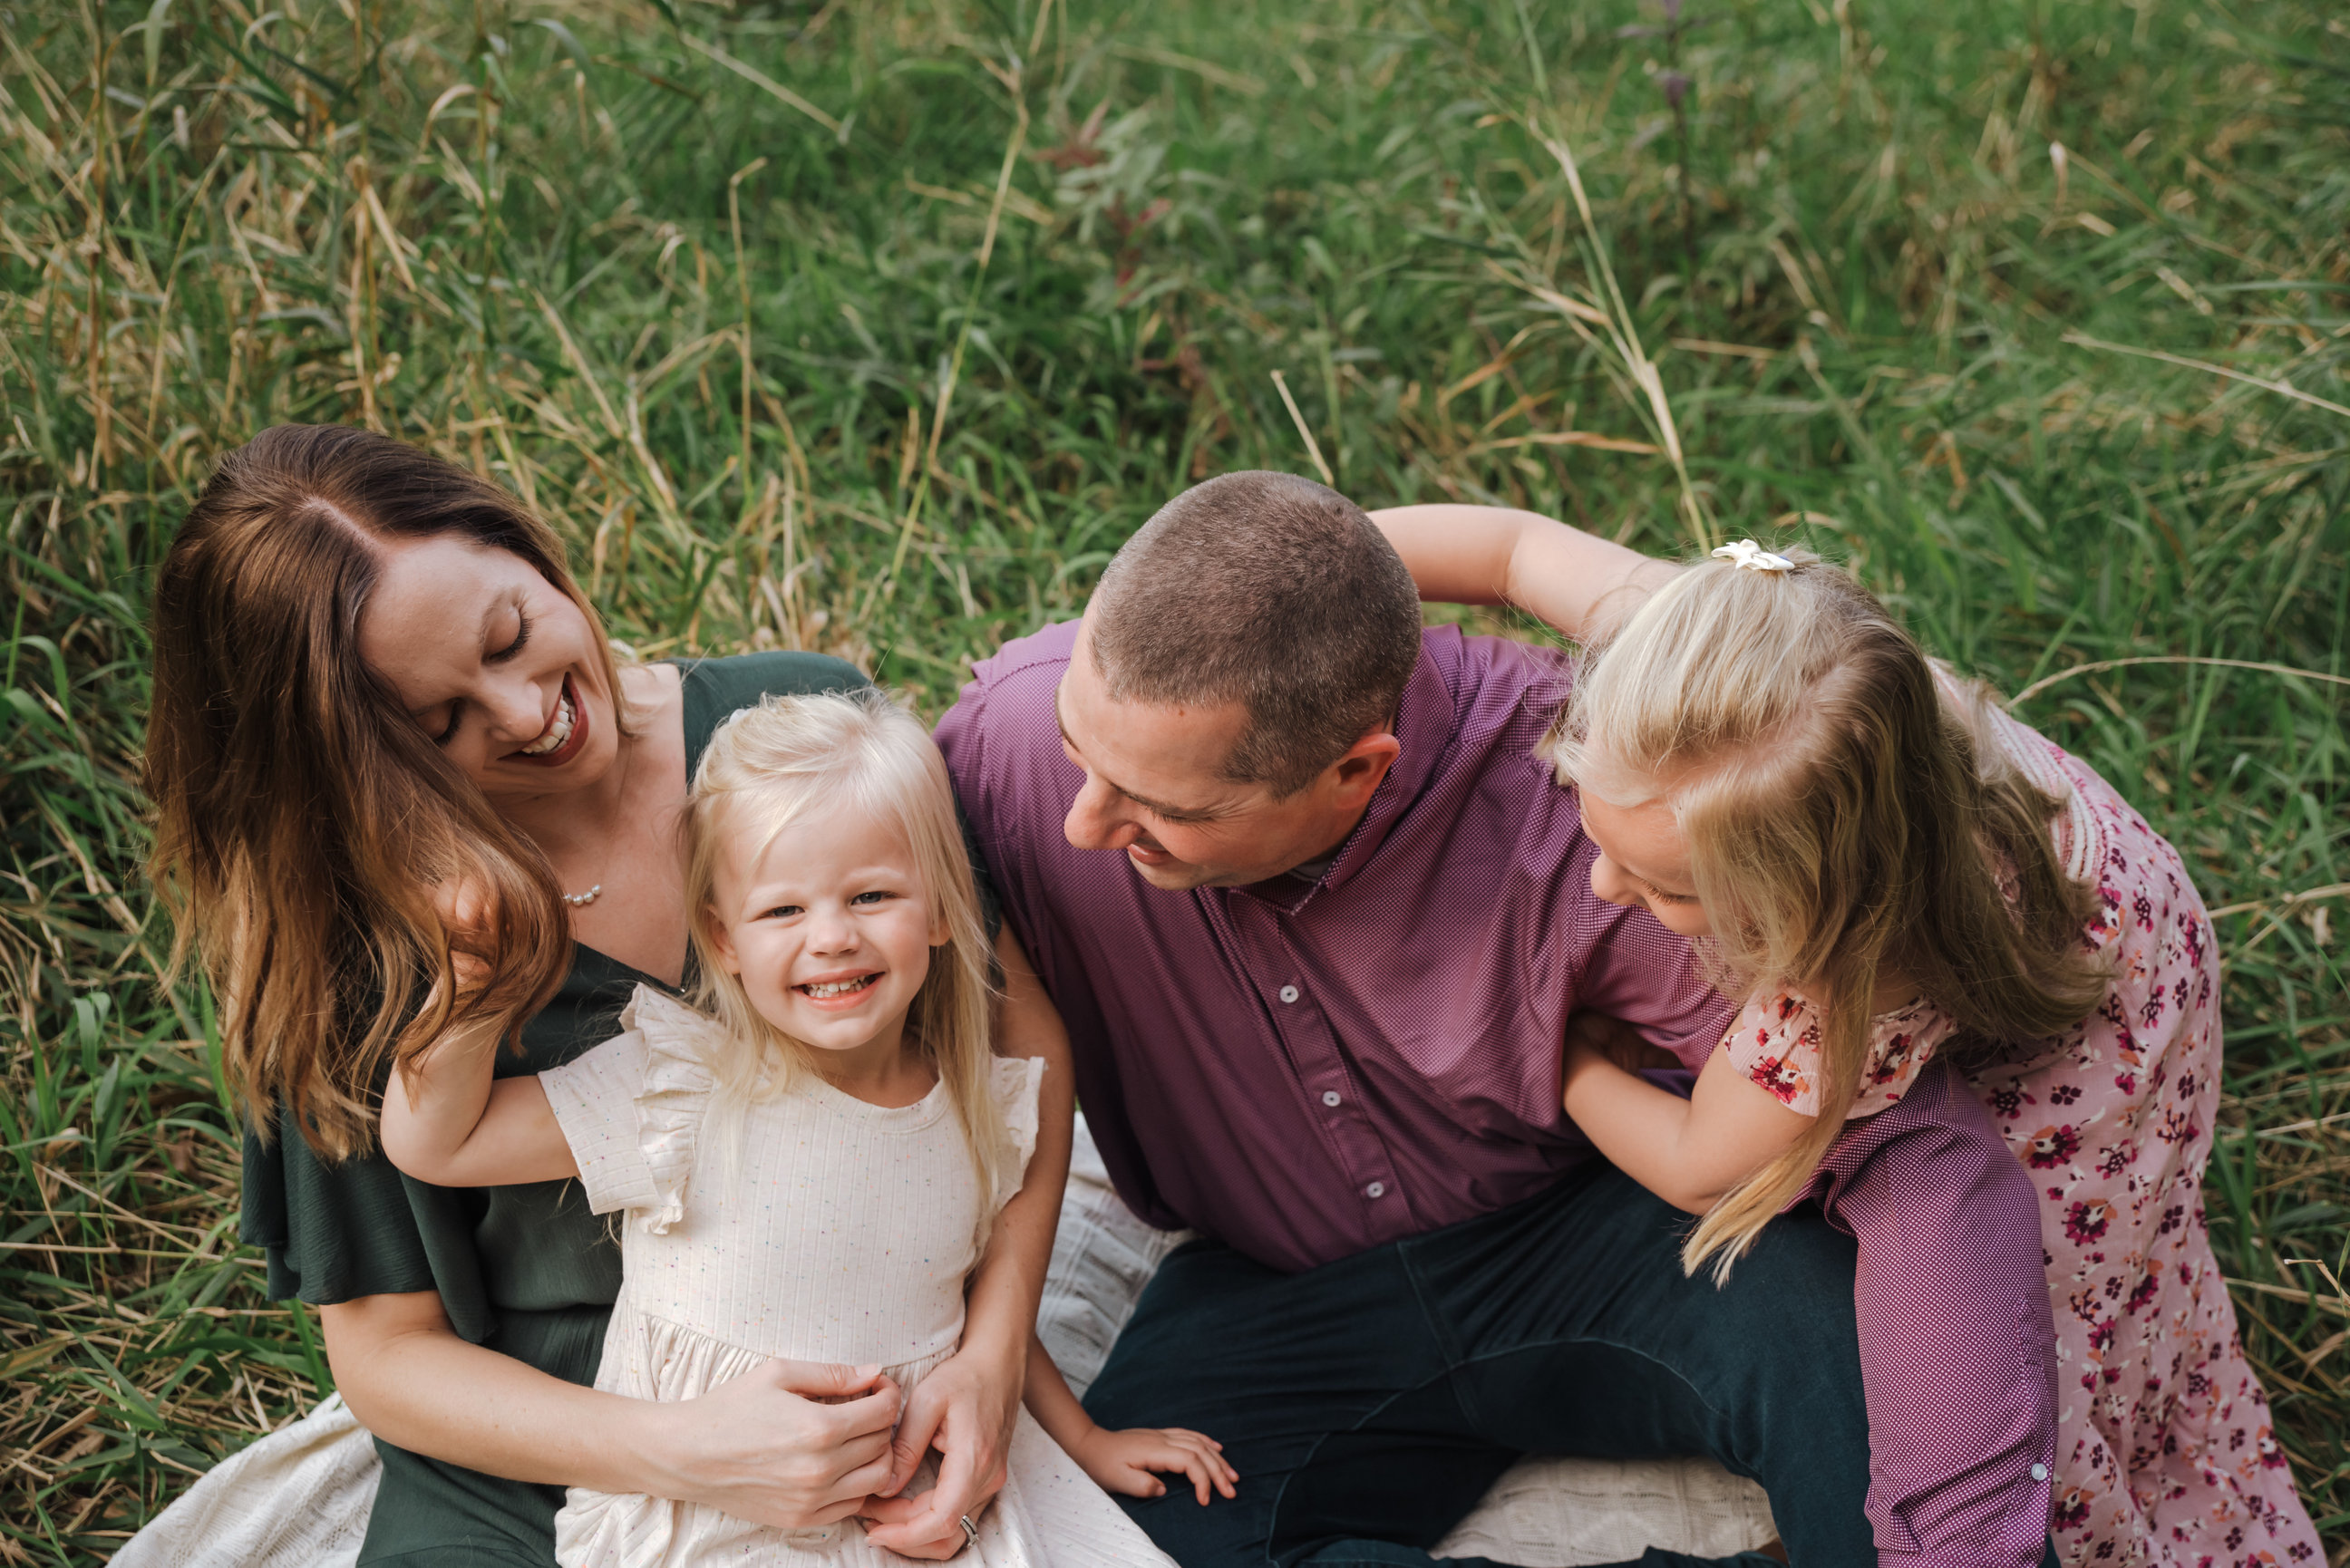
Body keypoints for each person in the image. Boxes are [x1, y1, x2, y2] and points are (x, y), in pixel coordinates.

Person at [935, 469, 2059, 1568]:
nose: (1084, 825)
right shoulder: (1000, 746)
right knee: (1107, 1540)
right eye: (1081, 757)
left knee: (1854, 1359)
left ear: (1353, 769)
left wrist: (1962, 1532)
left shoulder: (1623, 826)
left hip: (1592, 1234)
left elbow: (1901, 1141)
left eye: (1167, 811)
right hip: (1270, 1287)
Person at [147, 425, 1070, 1564]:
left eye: (510, 634)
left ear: (526, 553)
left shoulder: (798, 739)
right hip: (539, 1443)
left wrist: (990, 1349)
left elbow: (1010, 1032)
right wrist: (683, 1449)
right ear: (355, 765)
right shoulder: (363, 939)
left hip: (865, 1393)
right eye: (441, 726)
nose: (529, 713)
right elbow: (386, 1351)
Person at [1374, 514, 2322, 1568]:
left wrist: (1566, 1055)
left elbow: (1698, 1160)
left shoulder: (1847, 992)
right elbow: (1506, 551)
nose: (1604, 887)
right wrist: (1333, 562)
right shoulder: (1748, 666)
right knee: (2138, 1263)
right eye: (1596, 836)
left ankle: (2129, 1519)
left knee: (2053, 1317)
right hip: (2134, 901)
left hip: (2084, 1073)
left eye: (1665, 887)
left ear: (1813, 897)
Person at [375, 691, 1228, 1565]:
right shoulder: (684, 1087)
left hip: (908, 1504)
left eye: (870, 895)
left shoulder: (973, 1104)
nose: (830, 937)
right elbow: (441, 1145)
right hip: (715, 1519)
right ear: (725, 938)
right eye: (783, 911)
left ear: (941, 912)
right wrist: (471, 992)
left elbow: (969, 1318)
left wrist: (1084, 1441)